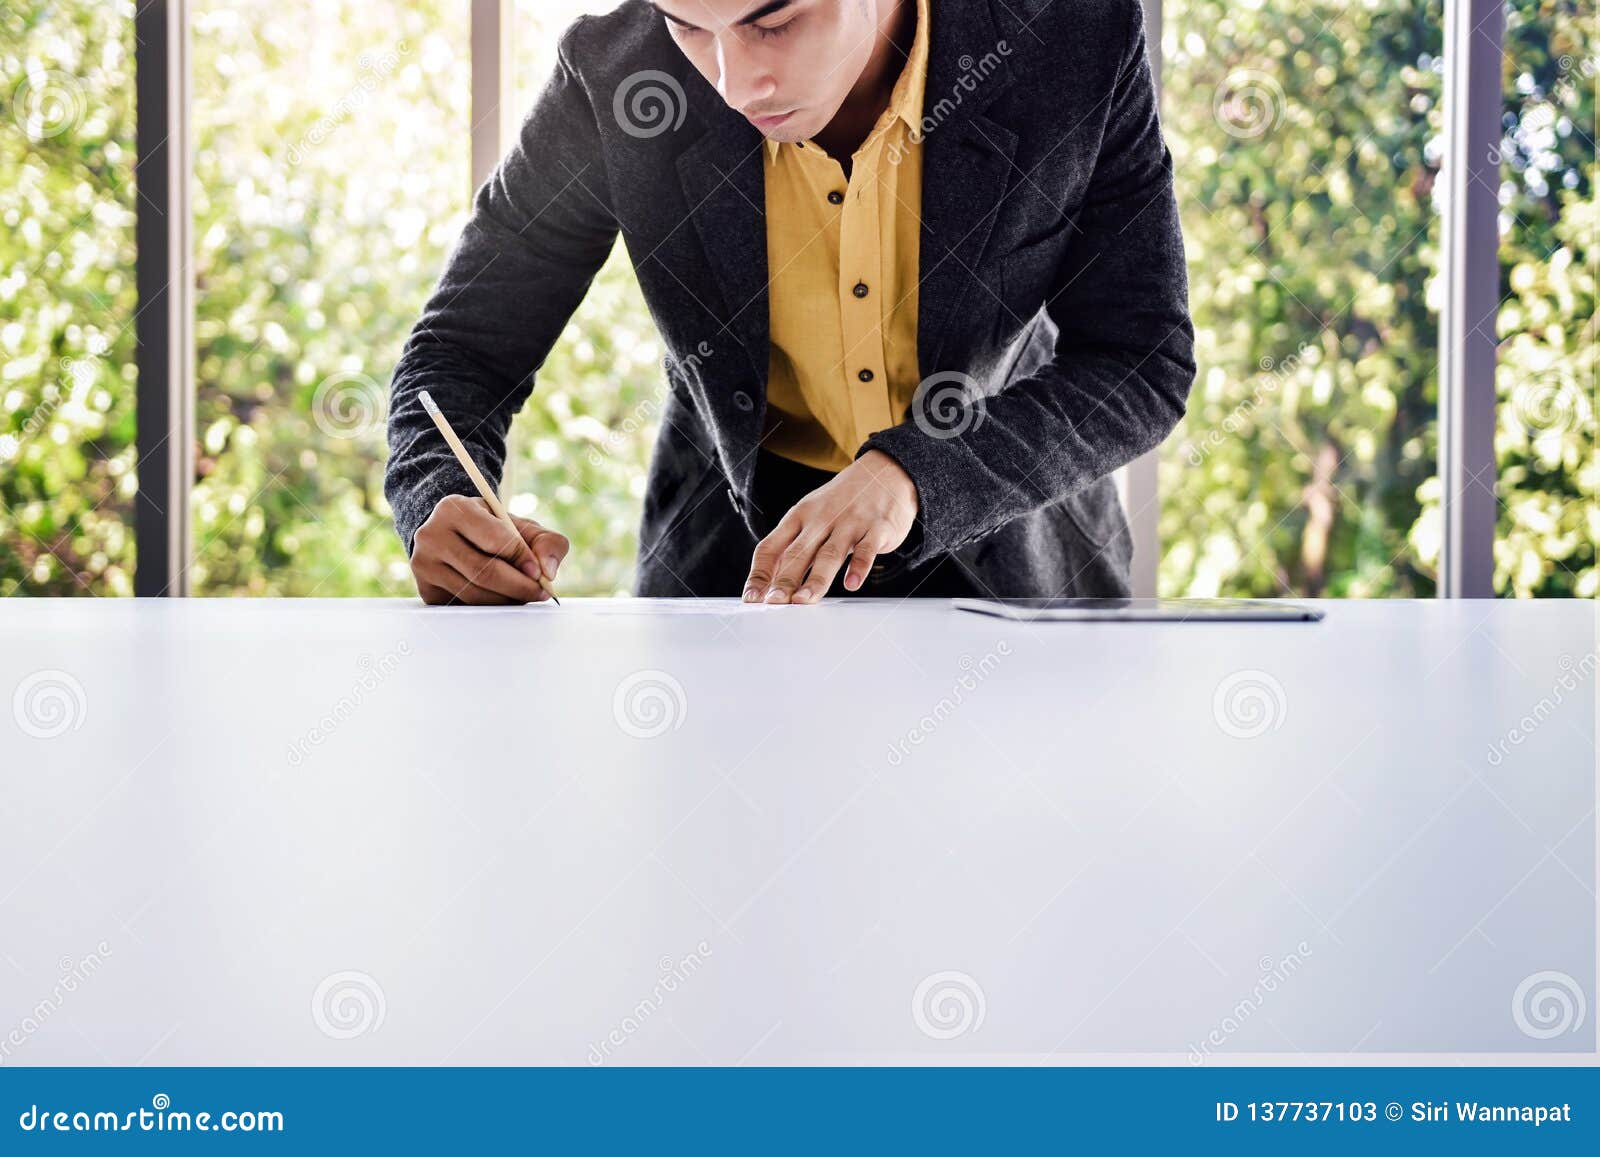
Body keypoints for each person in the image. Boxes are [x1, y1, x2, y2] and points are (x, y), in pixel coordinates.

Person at [385, 0, 1195, 605]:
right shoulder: (616, 76)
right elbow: (463, 350)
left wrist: (918, 476)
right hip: (730, 577)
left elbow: (1140, 360)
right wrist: (436, 495)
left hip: (1016, 563)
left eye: (773, 23)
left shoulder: (1073, 36)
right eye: (687, 26)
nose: (735, 83)